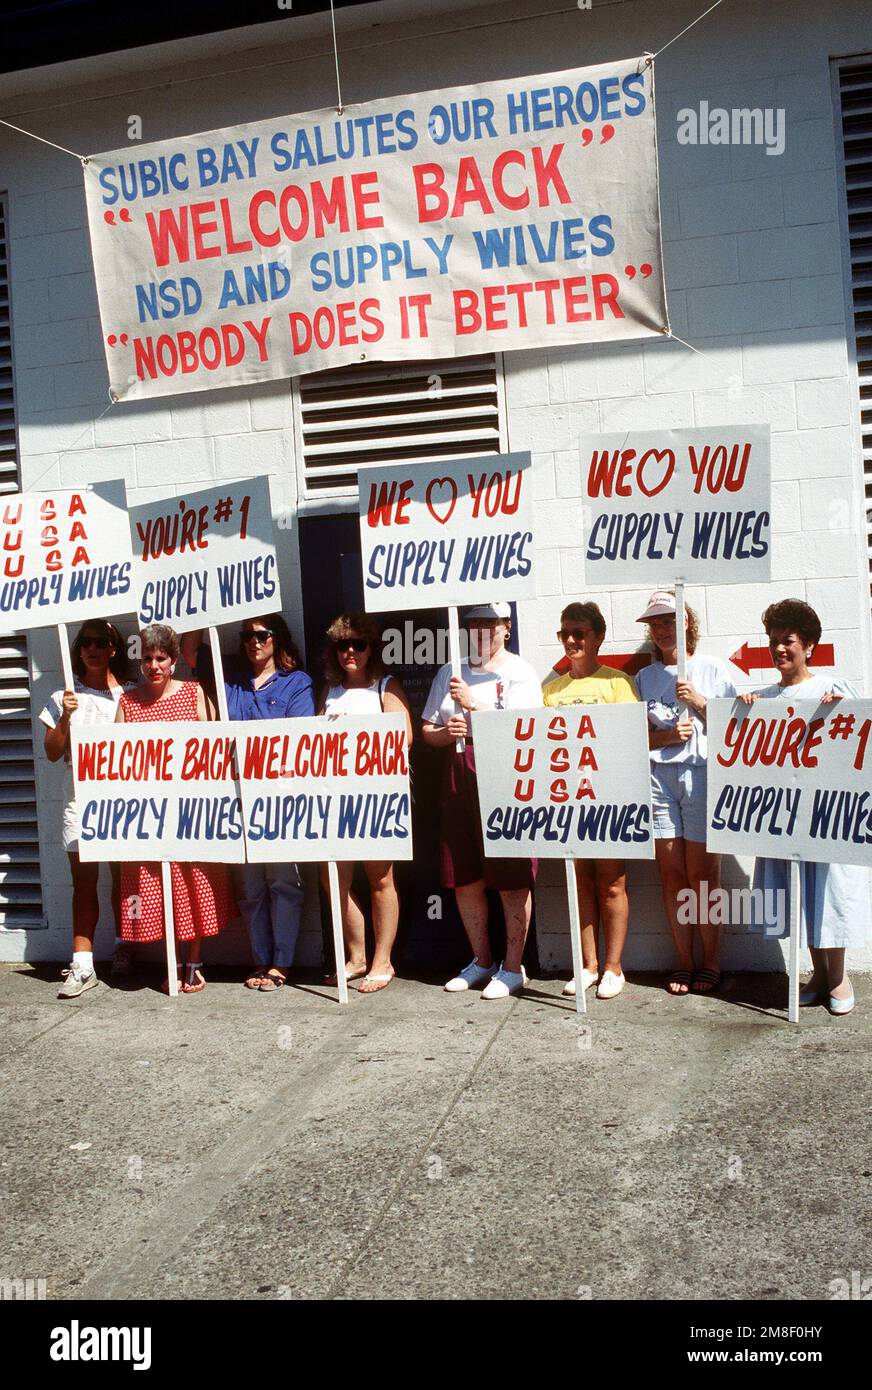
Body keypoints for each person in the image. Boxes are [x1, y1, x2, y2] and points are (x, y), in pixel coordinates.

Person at [740, 598, 870, 1016]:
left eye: (788, 640)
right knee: (801, 892)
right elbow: (740, 750)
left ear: (809, 645)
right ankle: (817, 975)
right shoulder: (763, 697)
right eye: (774, 641)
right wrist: (739, 714)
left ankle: (838, 976)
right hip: (784, 815)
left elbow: (854, 747)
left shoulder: (830, 689)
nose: (780, 648)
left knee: (829, 891)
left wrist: (840, 710)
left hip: (823, 814)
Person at [421, 602, 541, 999]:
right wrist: (445, 730)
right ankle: (482, 959)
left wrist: (475, 705)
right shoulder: (450, 670)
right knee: (464, 872)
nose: (481, 632)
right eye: (473, 624)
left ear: (506, 627)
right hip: (458, 766)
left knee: (511, 874)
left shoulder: (520, 672)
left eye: (489, 623)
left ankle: (512, 966)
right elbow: (427, 730)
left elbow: (527, 730)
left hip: (506, 771)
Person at [116, 623, 235, 993]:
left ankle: (194, 961)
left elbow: (213, 748)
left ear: (173, 661)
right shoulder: (128, 702)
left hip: (191, 810)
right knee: (158, 885)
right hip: (148, 813)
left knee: (194, 881)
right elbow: (115, 758)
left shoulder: (194, 692)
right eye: (147, 658)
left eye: (161, 657)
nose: (154, 665)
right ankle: (171, 959)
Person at [635, 590, 736, 996]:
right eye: (654, 623)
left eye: (668, 621)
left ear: (687, 623)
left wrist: (700, 702)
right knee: (671, 874)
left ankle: (711, 962)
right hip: (661, 778)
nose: (661, 630)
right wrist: (662, 736)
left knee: (703, 875)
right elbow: (632, 736)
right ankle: (684, 960)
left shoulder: (712, 668)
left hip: (701, 775)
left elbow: (736, 731)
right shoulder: (644, 677)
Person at [543, 601, 638, 1001]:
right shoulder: (551, 689)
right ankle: (588, 965)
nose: (571, 640)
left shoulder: (617, 683)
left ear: (597, 637)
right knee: (578, 881)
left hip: (609, 797)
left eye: (579, 633)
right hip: (568, 801)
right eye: (565, 633)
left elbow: (629, 740)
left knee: (611, 882)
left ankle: (614, 967)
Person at [318, 611, 412, 993]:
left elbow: (404, 738)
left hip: (377, 797)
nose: (350, 652)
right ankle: (356, 956)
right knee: (332, 879)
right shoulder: (330, 691)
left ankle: (382, 960)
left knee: (380, 878)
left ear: (372, 648)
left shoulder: (386, 687)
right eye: (342, 645)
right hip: (335, 798)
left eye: (358, 644)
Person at [40, 620, 134, 998]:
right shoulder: (63, 695)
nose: (92, 649)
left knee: (126, 879)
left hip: (122, 801)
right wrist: (65, 716)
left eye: (101, 642)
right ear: (78, 650)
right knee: (84, 882)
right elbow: (51, 752)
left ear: (113, 648)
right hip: (80, 801)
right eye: (86, 643)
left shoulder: (128, 694)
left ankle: (126, 944)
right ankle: (83, 963)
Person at [228, 614, 314, 991]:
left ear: (277, 639)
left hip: (280, 797)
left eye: (262, 635)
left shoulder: (297, 682)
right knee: (249, 886)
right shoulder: (230, 681)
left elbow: (298, 737)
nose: (254, 641)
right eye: (246, 635)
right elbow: (191, 650)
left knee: (284, 880)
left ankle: (281, 962)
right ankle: (260, 958)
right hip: (237, 796)